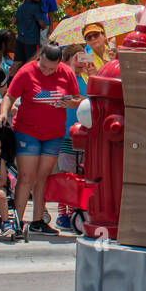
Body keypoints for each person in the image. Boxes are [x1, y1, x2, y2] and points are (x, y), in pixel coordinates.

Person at [0, 43, 81, 236]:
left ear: (59, 63)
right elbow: (10, 95)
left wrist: (72, 103)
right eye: (44, 66)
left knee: (42, 177)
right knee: (27, 176)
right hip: (27, 131)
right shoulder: (27, 71)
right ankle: (16, 221)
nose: (47, 71)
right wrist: (3, 113)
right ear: (39, 57)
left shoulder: (66, 73)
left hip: (54, 134)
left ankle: (37, 220)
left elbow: (78, 98)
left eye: (52, 68)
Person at [55, 44, 93, 231]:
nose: (81, 63)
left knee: (80, 174)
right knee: (66, 174)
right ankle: (63, 213)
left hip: (82, 135)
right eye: (78, 58)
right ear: (67, 59)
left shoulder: (85, 80)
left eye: (84, 58)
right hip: (64, 135)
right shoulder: (60, 78)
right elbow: (48, 97)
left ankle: (77, 209)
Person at [14, 0, 48, 73]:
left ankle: (10, 80)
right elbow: (41, 23)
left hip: (20, 38)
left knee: (17, 62)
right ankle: (24, 78)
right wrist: (46, 27)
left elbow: (14, 21)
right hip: (31, 41)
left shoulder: (21, 6)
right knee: (30, 62)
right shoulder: (35, 7)